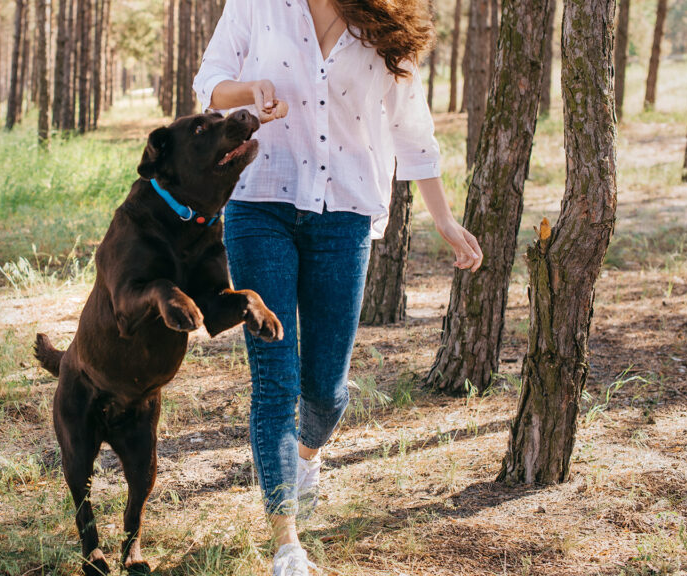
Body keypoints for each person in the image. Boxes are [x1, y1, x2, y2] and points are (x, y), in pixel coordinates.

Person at [192, 0, 483, 574]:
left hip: (344, 213)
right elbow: (210, 85)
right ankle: (287, 545)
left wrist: (445, 220)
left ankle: (307, 455)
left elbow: (411, 128)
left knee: (325, 388)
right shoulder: (256, 6)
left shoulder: (385, 22)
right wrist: (253, 87)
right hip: (260, 205)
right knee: (275, 379)